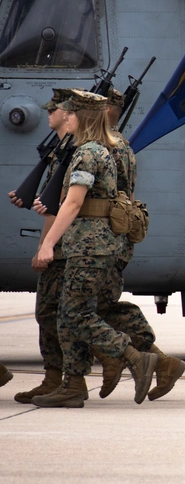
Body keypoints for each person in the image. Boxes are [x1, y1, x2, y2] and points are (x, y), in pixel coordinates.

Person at [31, 89, 158, 408]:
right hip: (91, 244)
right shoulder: (98, 149)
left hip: (90, 245)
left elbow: (74, 203)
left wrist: (48, 244)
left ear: (83, 117)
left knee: (75, 313)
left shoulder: (88, 153)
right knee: (70, 313)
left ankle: (133, 356)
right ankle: (73, 383)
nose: (66, 117)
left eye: (71, 113)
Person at [98, 88, 185, 402]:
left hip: (101, 236)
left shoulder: (106, 146)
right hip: (111, 235)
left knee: (86, 308)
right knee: (97, 306)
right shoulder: (119, 144)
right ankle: (160, 362)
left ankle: (141, 359)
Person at [10, 88, 77, 404]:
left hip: (65, 247)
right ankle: (54, 378)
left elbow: (60, 207)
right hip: (64, 245)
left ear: (67, 114)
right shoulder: (61, 151)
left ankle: (67, 380)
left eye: (53, 110)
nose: (47, 114)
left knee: (56, 313)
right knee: (51, 313)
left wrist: (44, 247)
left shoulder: (74, 153)